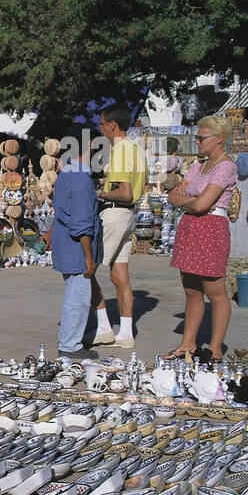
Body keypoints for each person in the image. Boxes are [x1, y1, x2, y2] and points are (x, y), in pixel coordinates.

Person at [165, 116, 238, 363]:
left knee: (214, 290)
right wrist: (191, 203)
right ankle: (188, 344)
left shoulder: (225, 167)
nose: (197, 141)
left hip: (211, 229)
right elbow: (175, 197)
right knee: (191, 289)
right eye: (197, 137)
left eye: (201, 137)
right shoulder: (200, 165)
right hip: (191, 227)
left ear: (219, 138)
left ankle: (215, 347)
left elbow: (204, 204)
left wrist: (192, 203)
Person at [91, 104, 146, 348]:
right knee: (119, 275)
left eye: (102, 124)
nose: (100, 129)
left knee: (86, 269)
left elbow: (123, 192)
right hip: (128, 216)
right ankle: (125, 333)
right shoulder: (136, 150)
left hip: (114, 214)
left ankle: (103, 326)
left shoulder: (122, 151)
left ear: (113, 125)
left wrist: (99, 193)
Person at [51, 145, 101, 360]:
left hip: (67, 245)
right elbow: (81, 223)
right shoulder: (81, 179)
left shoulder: (66, 174)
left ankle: (71, 342)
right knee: (78, 297)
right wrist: (89, 257)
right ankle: (70, 345)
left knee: (75, 294)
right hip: (76, 249)